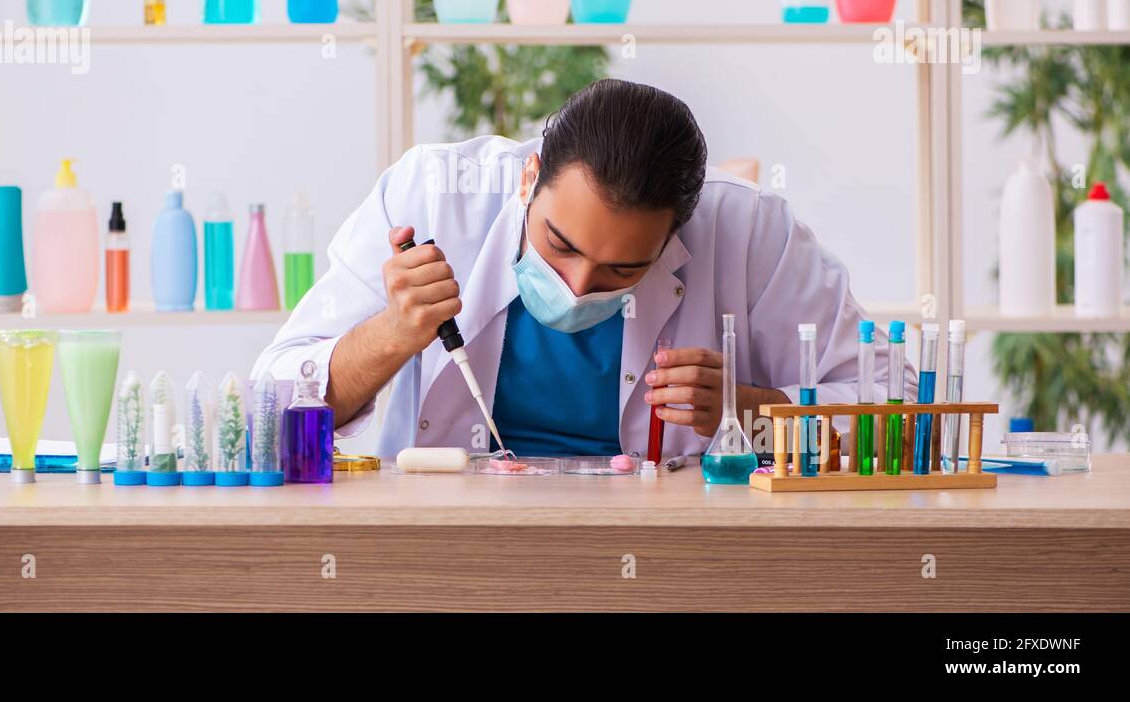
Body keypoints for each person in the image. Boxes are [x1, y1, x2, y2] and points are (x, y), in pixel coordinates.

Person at [254, 78, 915, 460]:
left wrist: (747, 412)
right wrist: (392, 333)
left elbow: (903, 417)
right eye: (560, 245)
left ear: (677, 233)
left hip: (657, 561)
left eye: (621, 269)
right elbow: (267, 409)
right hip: (450, 553)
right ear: (529, 175)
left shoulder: (748, 232)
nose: (575, 289)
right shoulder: (434, 193)